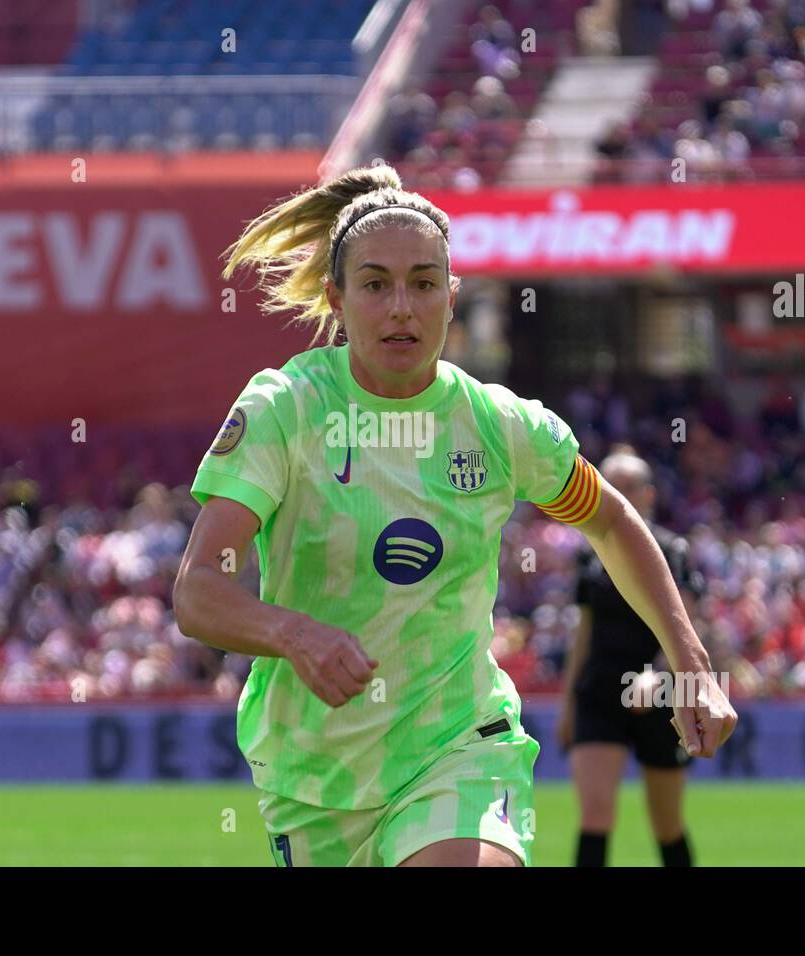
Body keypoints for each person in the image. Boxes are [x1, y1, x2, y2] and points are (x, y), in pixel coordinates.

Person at [171, 163, 735, 868]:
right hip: (315, 777)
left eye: (424, 284)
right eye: (375, 284)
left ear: (453, 297)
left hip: (460, 749)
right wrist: (291, 633)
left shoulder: (499, 426)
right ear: (336, 299)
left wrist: (691, 661)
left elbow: (613, 523)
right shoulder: (285, 411)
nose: (402, 307)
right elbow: (199, 592)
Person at [558, 445, 704, 867]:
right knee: (595, 816)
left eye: (628, 486)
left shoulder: (672, 549)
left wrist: (657, 674)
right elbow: (583, 634)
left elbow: (686, 627)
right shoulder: (588, 554)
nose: (617, 494)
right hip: (600, 692)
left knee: (667, 824)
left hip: (659, 696)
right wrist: (568, 702)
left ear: (648, 495)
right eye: (610, 485)